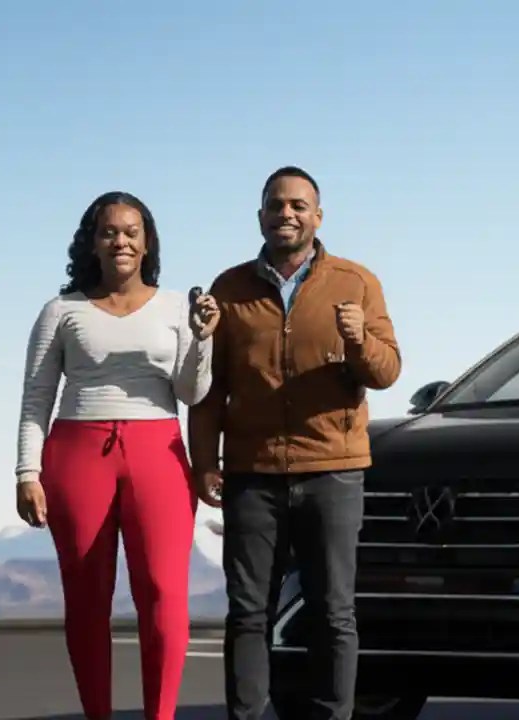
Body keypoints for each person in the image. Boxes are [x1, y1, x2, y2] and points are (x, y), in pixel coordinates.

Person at [187, 165, 401, 720]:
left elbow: (387, 371)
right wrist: (204, 462)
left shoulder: (357, 282)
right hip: (252, 474)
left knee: (333, 612)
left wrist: (357, 342)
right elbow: (211, 389)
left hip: (332, 471)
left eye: (298, 205)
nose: (287, 213)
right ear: (260, 215)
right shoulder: (229, 289)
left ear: (318, 216)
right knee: (248, 611)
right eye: (277, 205)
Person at [14, 191, 222, 720]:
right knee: (87, 597)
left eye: (132, 231)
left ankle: (161, 715)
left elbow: (193, 392)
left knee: (163, 593)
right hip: (78, 453)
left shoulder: (179, 306)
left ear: (147, 241)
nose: (121, 240)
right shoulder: (62, 311)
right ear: (93, 242)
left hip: (159, 451)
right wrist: (26, 472)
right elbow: (36, 396)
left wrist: (202, 341)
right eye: (109, 231)